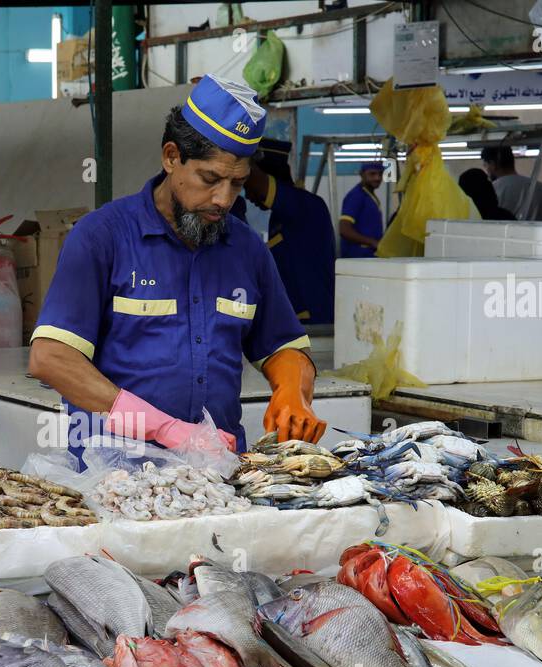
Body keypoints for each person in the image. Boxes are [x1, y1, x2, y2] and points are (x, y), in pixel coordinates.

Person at [28, 74, 324, 455]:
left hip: (218, 471)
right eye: (210, 178)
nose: (223, 199)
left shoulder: (247, 249)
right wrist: (162, 427)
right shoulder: (101, 238)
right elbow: (50, 358)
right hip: (115, 472)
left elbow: (285, 346)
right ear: (171, 157)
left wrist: (292, 389)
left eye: (237, 183)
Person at [243, 138, 336, 325]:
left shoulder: (305, 206)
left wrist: (236, 150)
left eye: (248, 187)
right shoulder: (279, 216)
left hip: (313, 319)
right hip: (292, 317)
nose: (248, 195)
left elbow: (257, 181)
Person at [481, 144, 542, 221]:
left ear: (492, 164)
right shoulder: (539, 187)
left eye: (485, 165)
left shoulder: (491, 190)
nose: (486, 171)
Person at [339, 162, 385, 257]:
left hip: (369, 256)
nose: (377, 178)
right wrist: (373, 242)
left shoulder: (369, 195)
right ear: (362, 174)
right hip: (357, 257)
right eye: (372, 174)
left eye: (380, 174)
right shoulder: (356, 196)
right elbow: (344, 230)